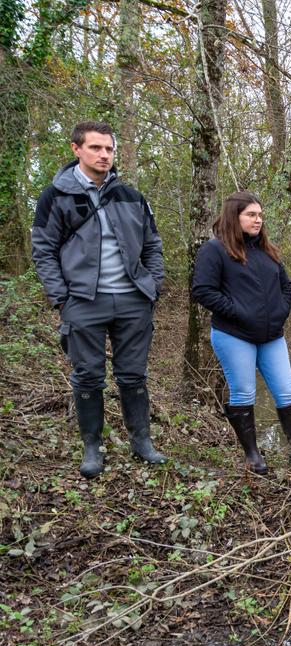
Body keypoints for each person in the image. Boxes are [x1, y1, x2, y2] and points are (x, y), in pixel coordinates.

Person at [31, 120, 166, 479]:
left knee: (133, 375)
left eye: (109, 148)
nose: (104, 154)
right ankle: (93, 447)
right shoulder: (55, 196)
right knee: (88, 376)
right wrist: (62, 299)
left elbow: (152, 245)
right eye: (96, 148)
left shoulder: (131, 196)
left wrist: (152, 286)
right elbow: (43, 251)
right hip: (82, 302)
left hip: (133, 301)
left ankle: (142, 443)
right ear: (76, 149)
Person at [191, 191, 291, 474]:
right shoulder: (215, 250)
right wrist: (240, 312)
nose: (258, 219)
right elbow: (202, 291)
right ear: (233, 216)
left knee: (288, 393)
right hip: (233, 335)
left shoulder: (268, 251)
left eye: (260, 215)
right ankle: (252, 455)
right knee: (243, 392)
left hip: (272, 335)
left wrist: (280, 311)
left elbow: (287, 287)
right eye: (251, 214)